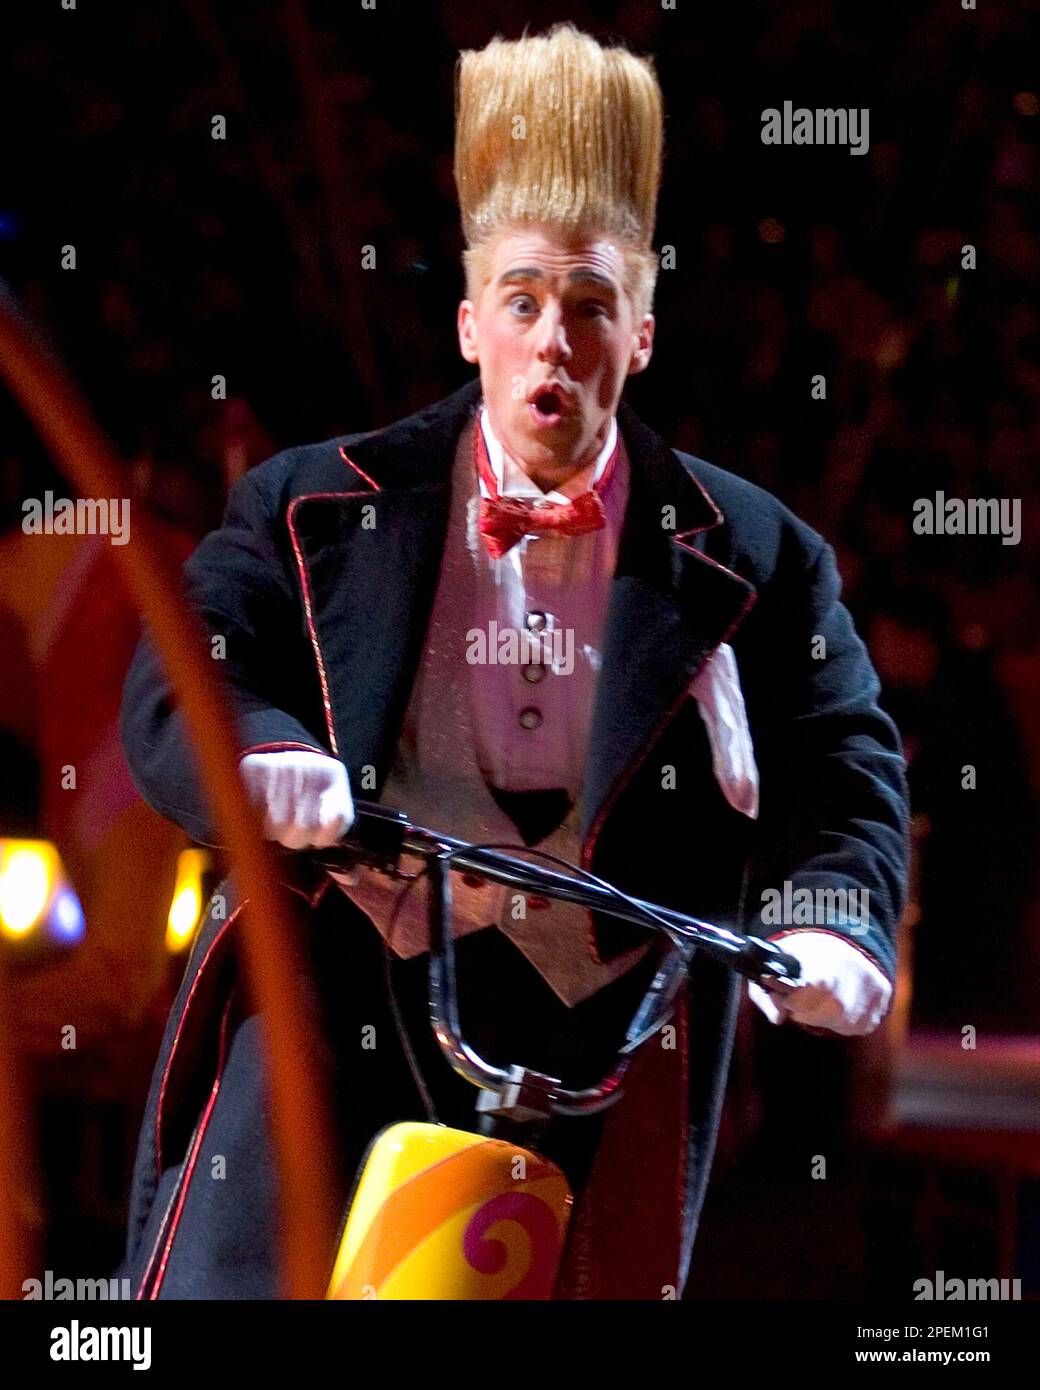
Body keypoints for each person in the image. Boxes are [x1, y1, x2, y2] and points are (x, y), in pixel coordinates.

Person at [116, 23, 908, 1300]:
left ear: (638, 338)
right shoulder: (310, 501)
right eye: (524, 301)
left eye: (590, 307)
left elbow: (841, 760)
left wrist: (830, 922)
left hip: (600, 1036)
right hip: (339, 991)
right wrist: (264, 751)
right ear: (471, 324)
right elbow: (189, 669)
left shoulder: (764, 555)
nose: (554, 341)